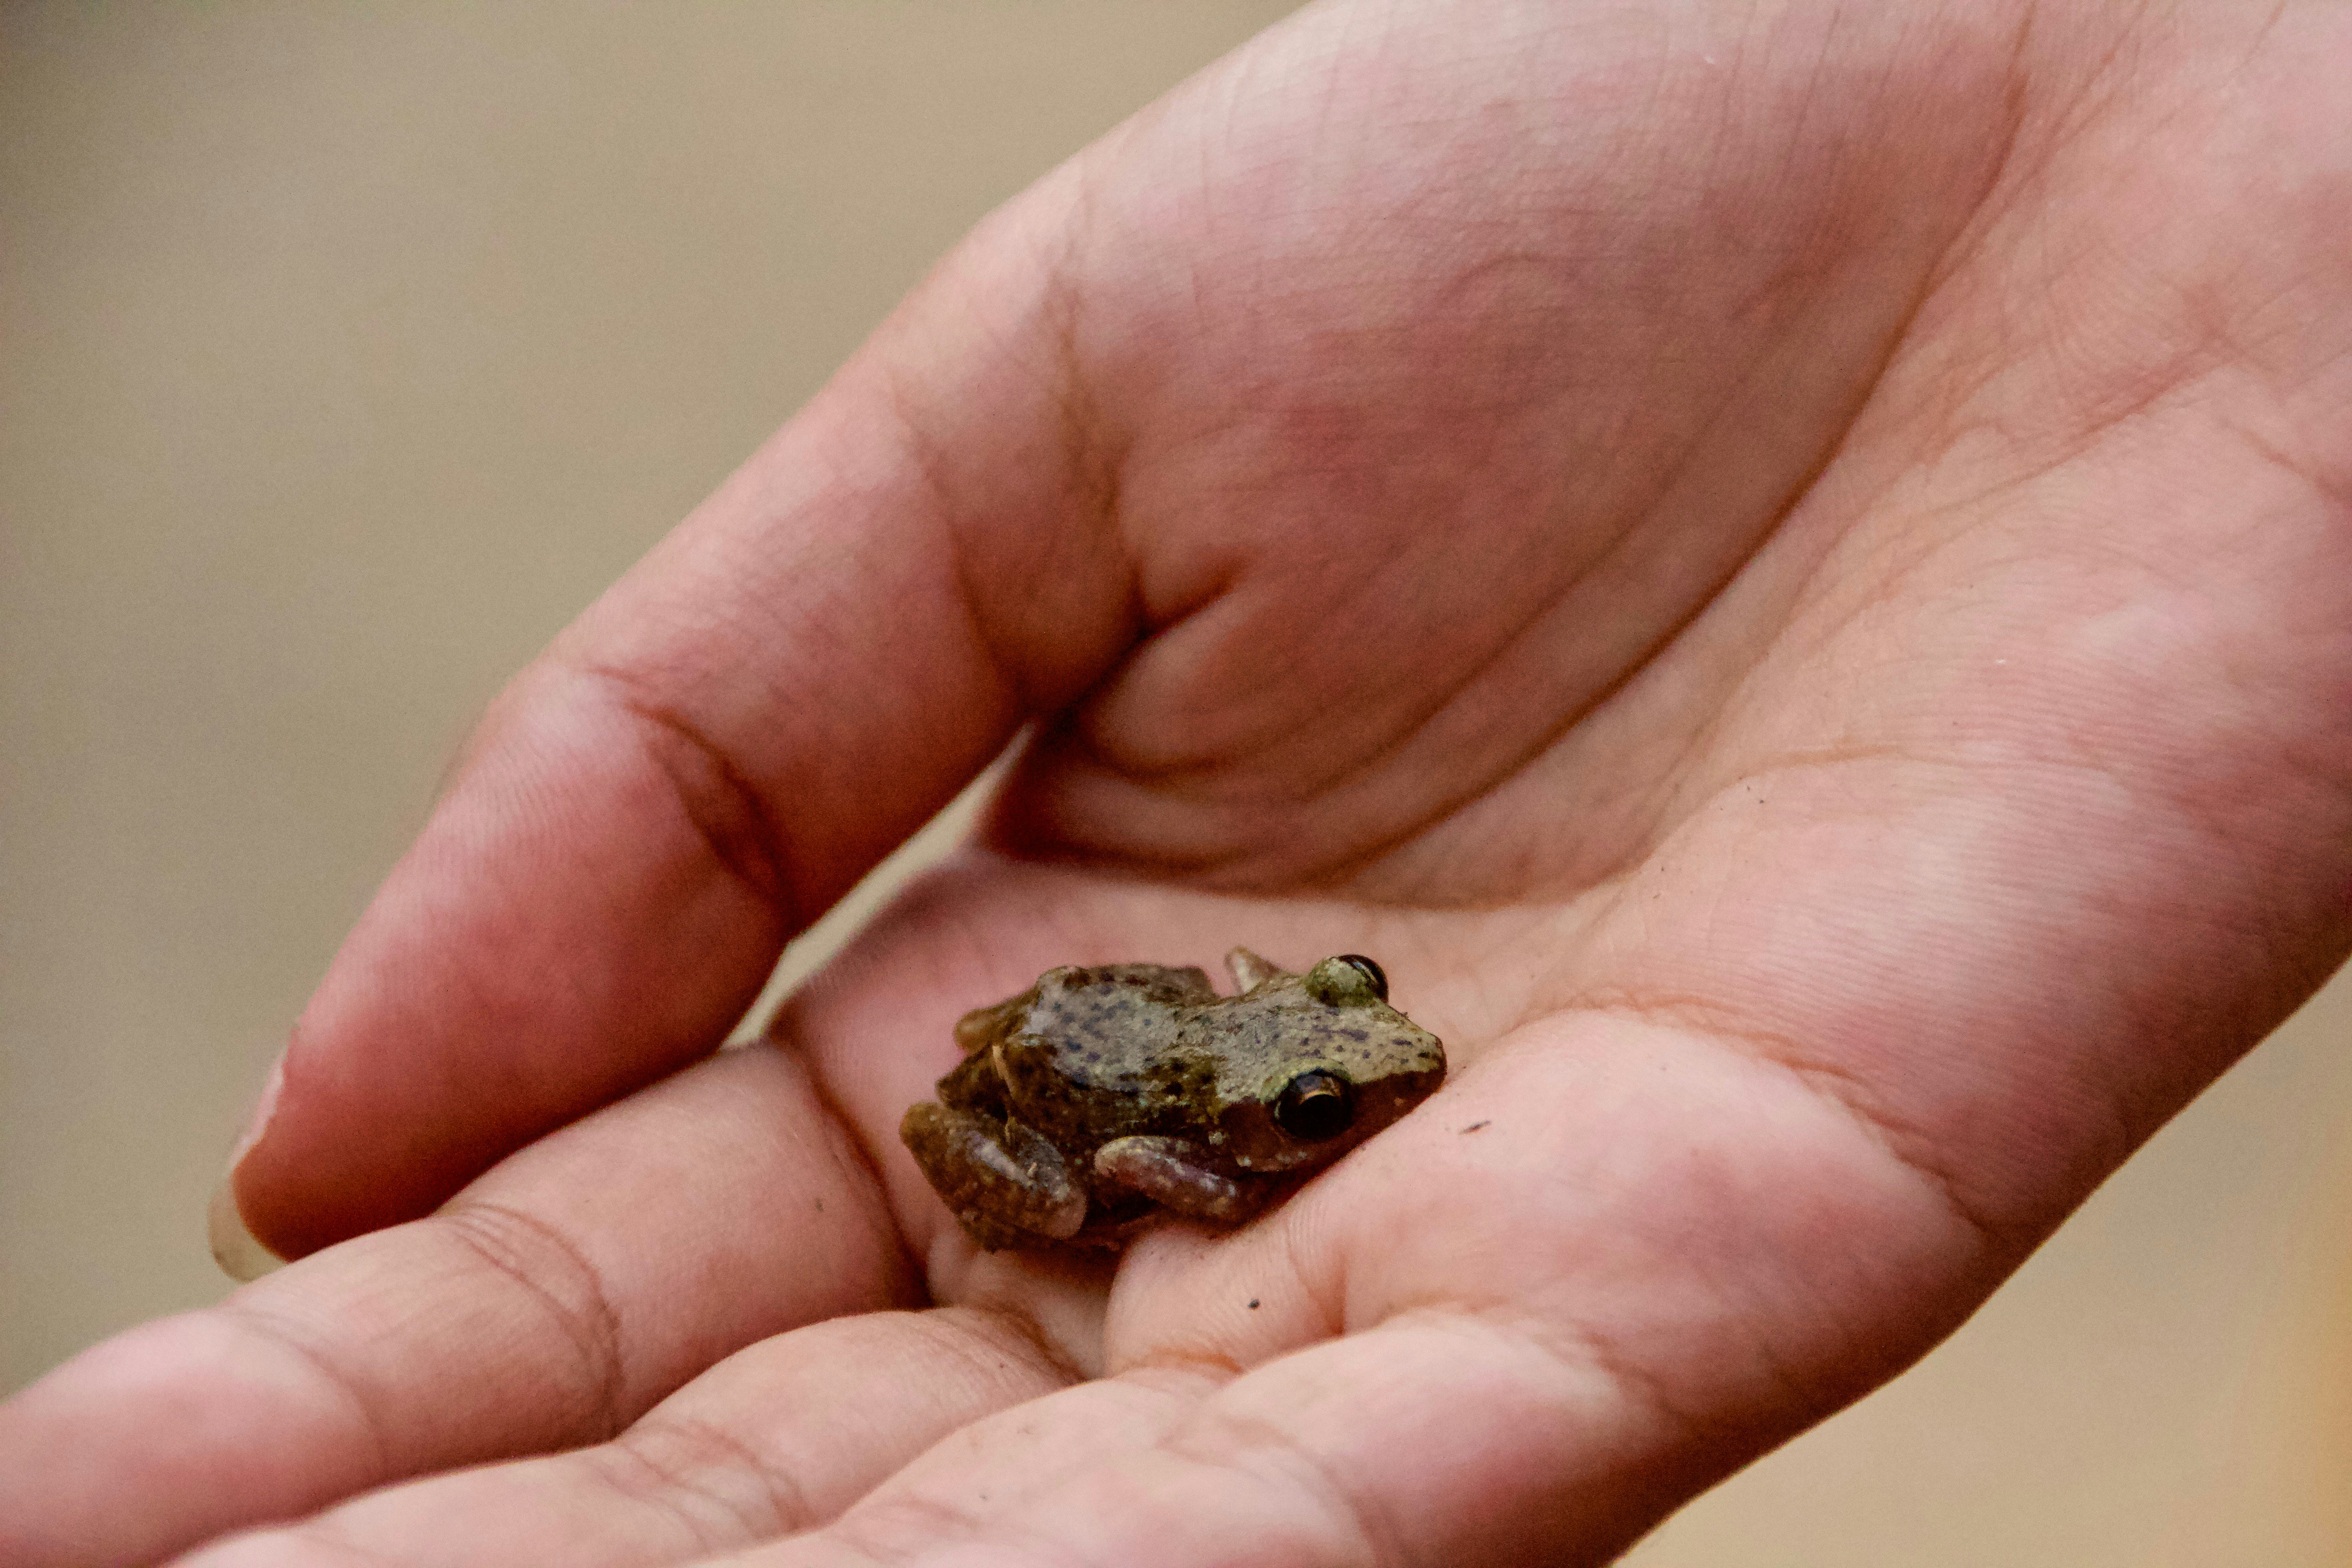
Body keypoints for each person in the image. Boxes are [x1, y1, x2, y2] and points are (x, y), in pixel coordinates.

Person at [6, 0, 2350, 1561]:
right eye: (1342, 1098)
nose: (1387, 1077)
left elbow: (1254, 1046)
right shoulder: (1193, 1133)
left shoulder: (1283, 1057)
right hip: (1045, 1089)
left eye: (1348, 1067)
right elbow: (1119, 1140)